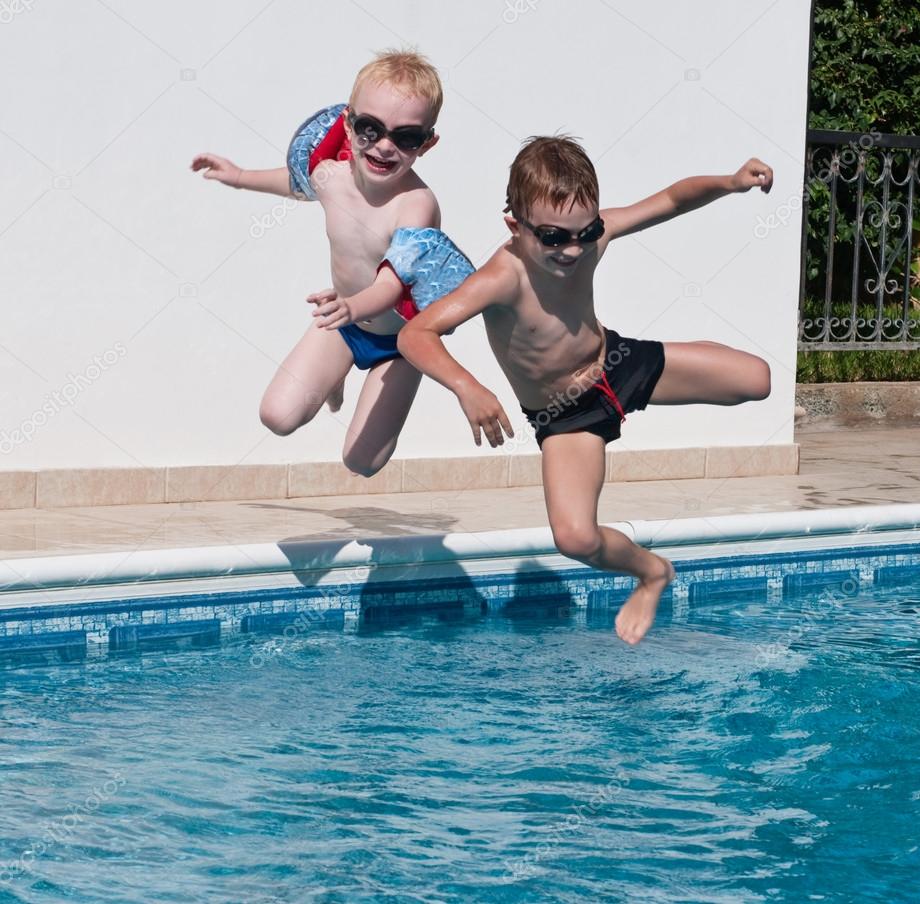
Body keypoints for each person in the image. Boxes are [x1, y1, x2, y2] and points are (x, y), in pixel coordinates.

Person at [398, 136, 773, 644]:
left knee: (758, 380)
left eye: (585, 232)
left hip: (615, 365)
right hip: (567, 414)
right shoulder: (500, 278)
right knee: (574, 537)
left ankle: (678, 354)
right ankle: (652, 573)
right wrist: (467, 386)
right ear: (515, 225)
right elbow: (415, 333)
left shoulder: (592, 238)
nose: (572, 249)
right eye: (553, 237)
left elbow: (671, 199)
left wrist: (729, 183)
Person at [191, 50, 472, 476]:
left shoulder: (416, 205)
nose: (383, 146)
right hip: (345, 320)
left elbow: (391, 284)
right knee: (278, 417)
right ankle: (334, 374)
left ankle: (407, 368)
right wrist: (240, 177)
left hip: (399, 341)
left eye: (405, 137)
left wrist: (351, 306)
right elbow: (295, 184)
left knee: (361, 461)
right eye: (369, 129)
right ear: (347, 123)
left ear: (427, 144)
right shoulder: (330, 176)